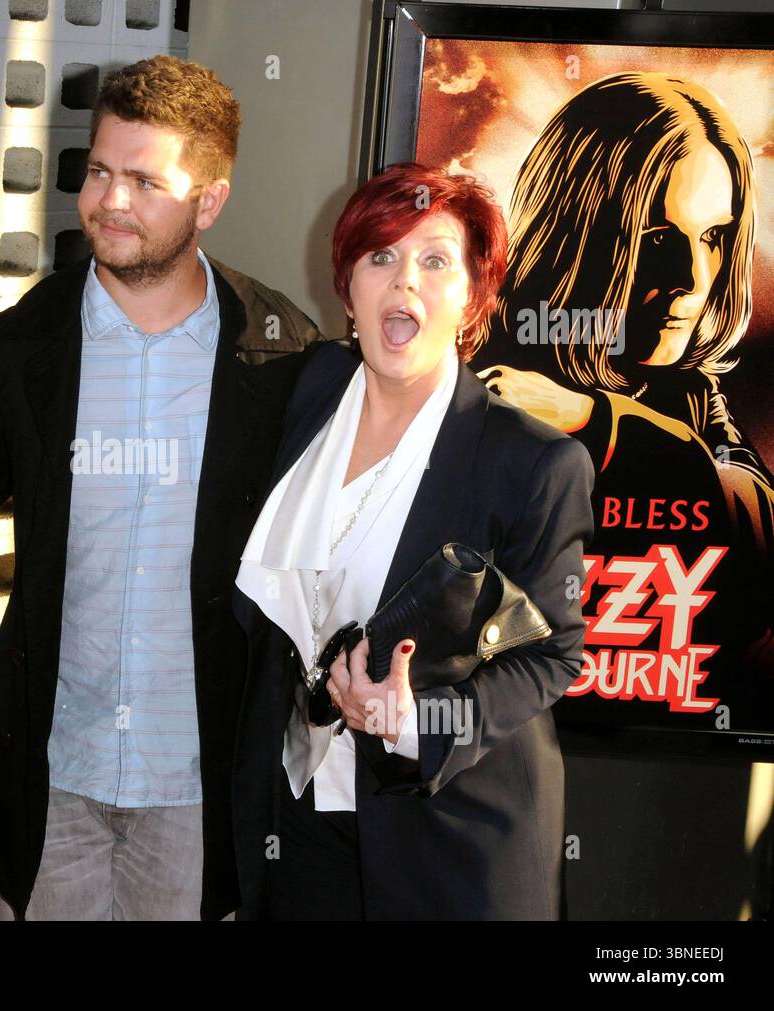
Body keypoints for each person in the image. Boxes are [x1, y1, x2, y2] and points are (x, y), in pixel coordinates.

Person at [0, 55, 334, 921]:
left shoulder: (279, 354)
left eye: (145, 181)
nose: (110, 202)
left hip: (200, 779)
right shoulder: (20, 347)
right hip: (55, 767)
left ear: (210, 199)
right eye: (98, 172)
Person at [230, 162, 595, 919]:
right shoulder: (308, 391)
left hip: (446, 838)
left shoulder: (531, 462)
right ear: (348, 288)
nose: (404, 284)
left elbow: (553, 656)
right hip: (297, 815)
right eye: (380, 257)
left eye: (434, 261)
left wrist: (418, 720)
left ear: (472, 294)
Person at [475, 70, 774, 714]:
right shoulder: (481, 366)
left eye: (713, 238)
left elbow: (762, 534)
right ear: (581, 232)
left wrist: (597, 420)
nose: (693, 278)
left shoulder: (685, 393)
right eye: (659, 238)